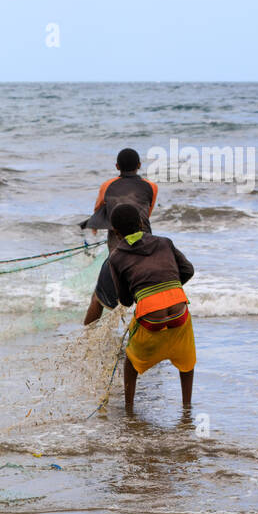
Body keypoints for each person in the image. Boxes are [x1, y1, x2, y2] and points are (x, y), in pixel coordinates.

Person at [83, 203, 195, 411]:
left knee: (130, 362)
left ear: (115, 232)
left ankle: (129, 409)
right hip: (180, 309)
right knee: (186, 361)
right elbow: (188, 270)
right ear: (142, 223)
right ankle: (187, 408)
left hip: (151, 315)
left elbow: (125, 300)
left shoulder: (116, 257)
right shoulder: (164, 242)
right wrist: (169, 286)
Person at [80, 147, 159, 250]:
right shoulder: (152, 186)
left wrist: (94, 227)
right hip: (144, 235)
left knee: (116, 260)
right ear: (139, 165)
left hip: (117, 235)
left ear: (117, 166)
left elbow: (98, 210)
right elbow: (147, 213)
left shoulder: (107, 185)